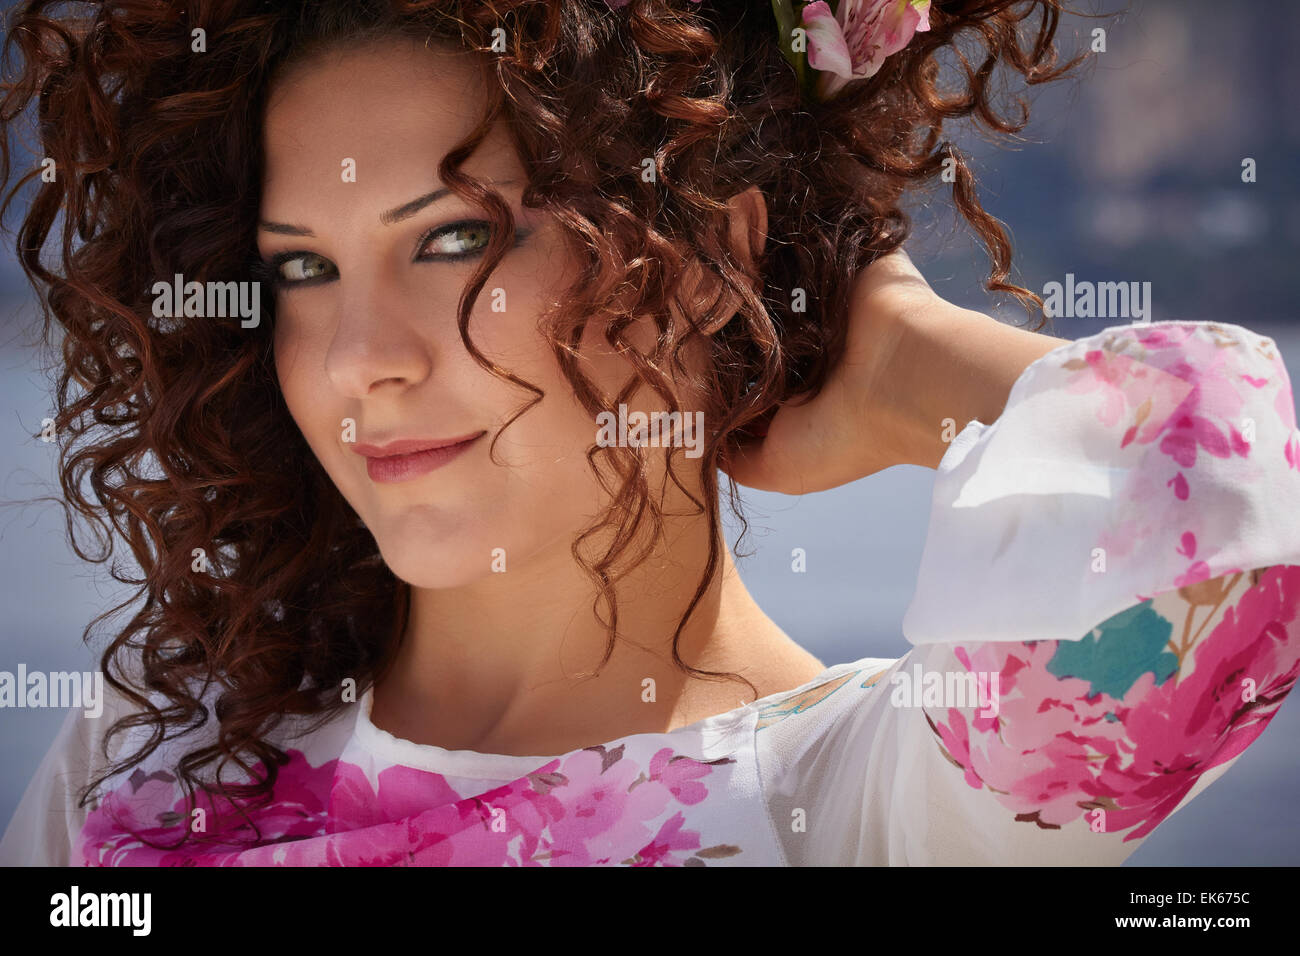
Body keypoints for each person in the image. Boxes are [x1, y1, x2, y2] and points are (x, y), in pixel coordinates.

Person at [1, 0, 1297, 866]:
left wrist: (896, 348)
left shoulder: (866, 804)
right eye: (303, 269)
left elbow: (1216, 502)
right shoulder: (152, 754)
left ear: (700, 255)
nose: (357, 358)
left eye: (452, 242)